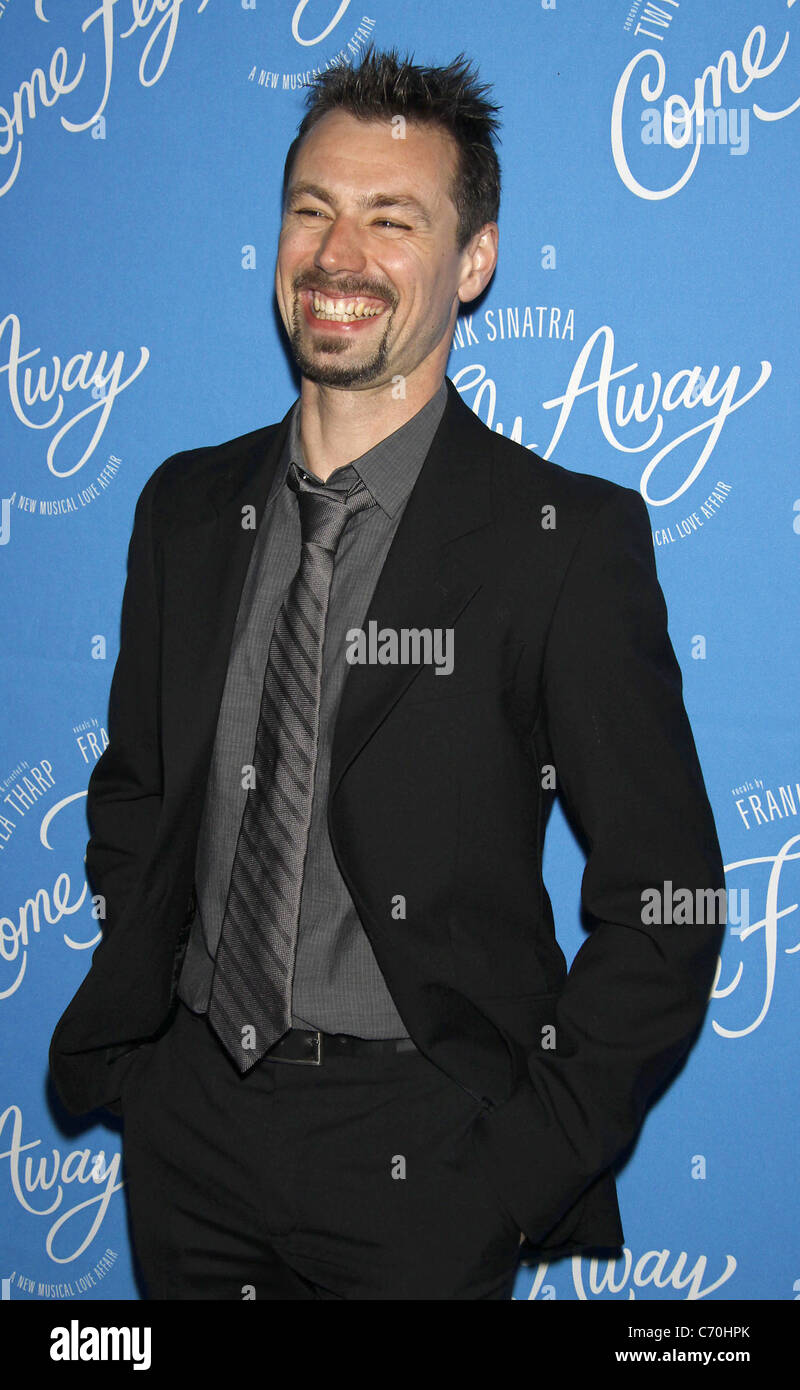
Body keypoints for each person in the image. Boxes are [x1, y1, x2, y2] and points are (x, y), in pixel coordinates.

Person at [49, 46, 726, 1301]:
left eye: (389, 217)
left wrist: (518, 1166)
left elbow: (668, 899)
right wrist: (151, 1067)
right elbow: (138, 792)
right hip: (190, 1123)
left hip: (421, 1149)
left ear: (472, 263)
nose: (337, 253)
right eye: (312, 207)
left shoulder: (561, 543)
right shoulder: (185, 506)